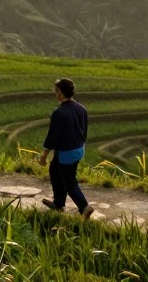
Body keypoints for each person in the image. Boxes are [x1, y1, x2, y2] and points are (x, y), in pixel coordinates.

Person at [39, 77, 92, 217]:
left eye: (56, 90)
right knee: (55, 172)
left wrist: (44, 156)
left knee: (70, 182)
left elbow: (52, 137)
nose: (55, 93)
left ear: (61, 93)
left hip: (66, 153)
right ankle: (58, 204)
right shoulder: (81, 108)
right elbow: (84, 130)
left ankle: (84, 207)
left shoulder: (59, 113)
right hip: (78, 149)